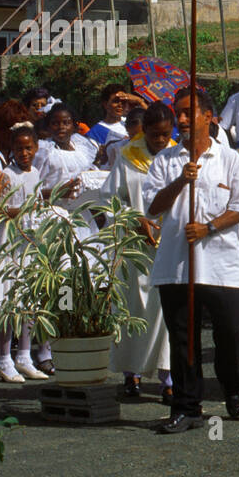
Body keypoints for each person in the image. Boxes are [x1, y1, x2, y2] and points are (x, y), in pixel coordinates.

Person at [144, 87, 239, 434]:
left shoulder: (229, 159)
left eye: (186, 113)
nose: (180, 119)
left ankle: (233, 386)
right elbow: (153, 207)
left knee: (229, 333)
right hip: (177, 266)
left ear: (207, 117)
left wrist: (209, 227)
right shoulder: (165, 161)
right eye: (177, 113)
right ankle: (186, 405)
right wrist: (182, 179)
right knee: (183, 339)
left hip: (220, 263)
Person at [103, 100, 175, 401]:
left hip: (169, 245)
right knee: (133, 308)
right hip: (135, 248)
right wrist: (135, 221)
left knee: (167, 313)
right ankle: (131, 374)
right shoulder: (127, 156)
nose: (160, 141)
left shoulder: (177, 156)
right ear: (143, 130)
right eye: (154, 135)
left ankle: (168, 376)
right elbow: (112, 199)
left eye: (165, 134)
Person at [0, 121, 50, 382]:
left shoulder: (35, 173)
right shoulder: (6, 175)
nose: (24, 153)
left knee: (29, 301)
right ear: (12, 149)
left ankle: (24, 355)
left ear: (36, 148)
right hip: (11, 240)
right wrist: (23, 211)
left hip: (30, 241)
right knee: (9, 301)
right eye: (19, 149)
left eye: (29, 148)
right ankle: (4, 357)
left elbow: (39, 203)